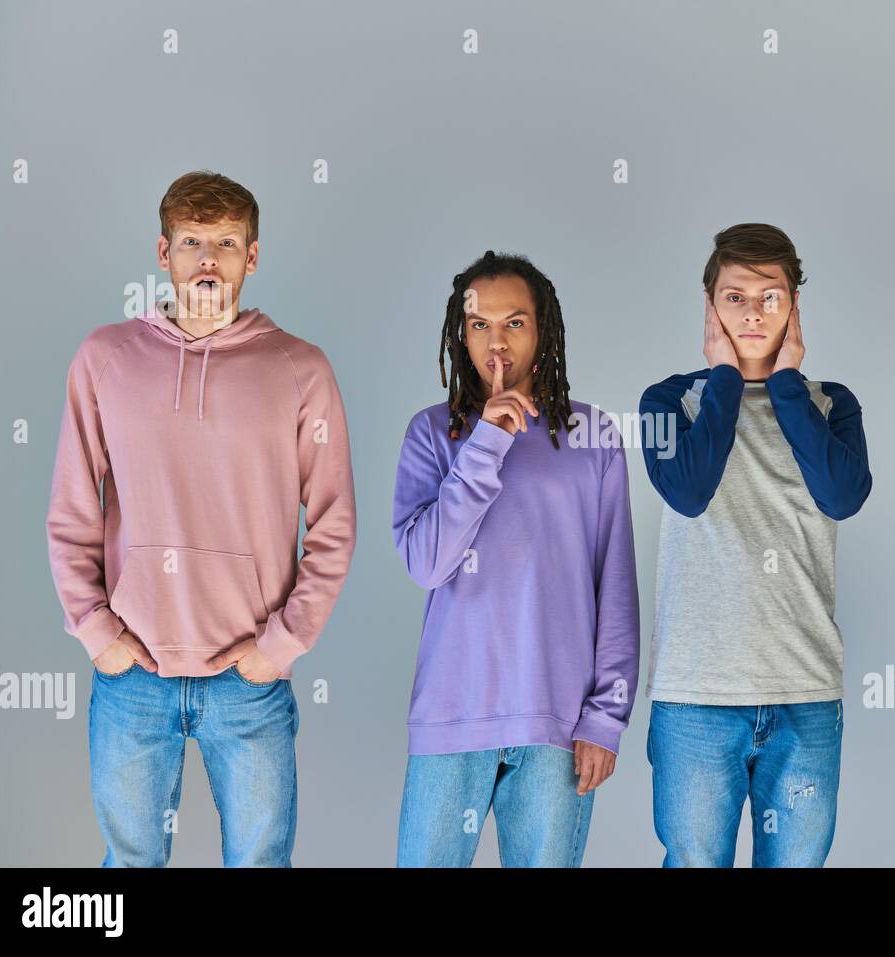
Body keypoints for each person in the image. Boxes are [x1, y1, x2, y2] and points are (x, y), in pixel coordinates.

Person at [45, 170, 357, 866]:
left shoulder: (301, 369)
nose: (208, 259)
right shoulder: (104, 359)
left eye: (225, 242)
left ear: (253, 256)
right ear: (164, 254)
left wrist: (281, 647)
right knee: (128, 870)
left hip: (248, 679)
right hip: (133, 673)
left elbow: (334, 527)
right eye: (191, 242)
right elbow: (71, 509)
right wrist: (97, 632)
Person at [393, 250, 640, 867]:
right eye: (479, 324)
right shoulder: (431, 433)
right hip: (453, 719)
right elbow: (426, 564)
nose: (496, 340)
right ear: (460, 334)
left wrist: (605, 719)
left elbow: (616, 588)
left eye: (515, 322)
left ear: (543, 332)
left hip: (556, 728)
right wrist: (486, 445)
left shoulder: (593, 437)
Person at [638, 223, 872, 867]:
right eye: (734, 296)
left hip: (805, 691)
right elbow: (687, 491)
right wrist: (722, 377)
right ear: (709, 304)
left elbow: (843, 496)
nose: (751, 312)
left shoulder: (832, 402)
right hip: (695, 696)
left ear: (795, 305)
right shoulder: (666, 401)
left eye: (769, 296)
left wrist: (788, 384)